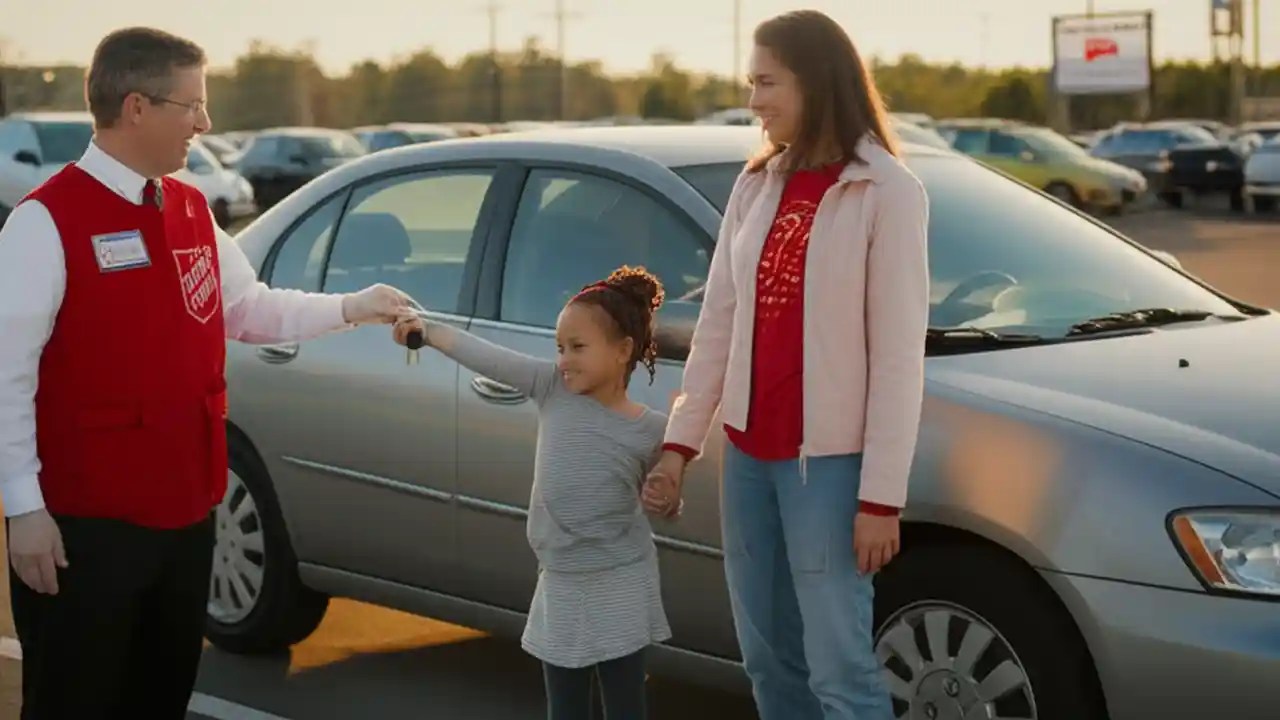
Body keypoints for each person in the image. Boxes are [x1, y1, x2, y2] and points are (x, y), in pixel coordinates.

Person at [0, 27, 410, 719]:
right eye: (191, 105)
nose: (205, 123)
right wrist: (24, 510)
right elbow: (7, 375)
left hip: (187, 511)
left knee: (159, 698)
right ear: (136, 107)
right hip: (85, 526)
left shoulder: (189, 204)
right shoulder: (45, 222)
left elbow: (247, 308)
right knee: (75, 701)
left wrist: (353, 306)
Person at [641, 10, 930, 720]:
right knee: (769, 662)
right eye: (750, 82)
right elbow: (720, 324)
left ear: (817, 80)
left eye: (767, 81)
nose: (754, 100)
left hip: (829, 470)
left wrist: (880, 500)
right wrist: (681, 444)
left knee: (840, 671)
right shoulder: (756, 184)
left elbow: (898, 360)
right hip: (747, 459)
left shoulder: (887, 192)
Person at [392, 266, 674, 720]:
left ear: (623, 351)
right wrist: (429, 333)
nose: (565, 359)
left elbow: (670, 496)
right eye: (560, 347)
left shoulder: (650, 430)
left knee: (625, 705)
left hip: (620, 578)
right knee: (564, 707)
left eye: (578, 347)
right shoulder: (551, 388)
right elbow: (489, 357)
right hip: (561, 580)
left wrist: (667, 498)